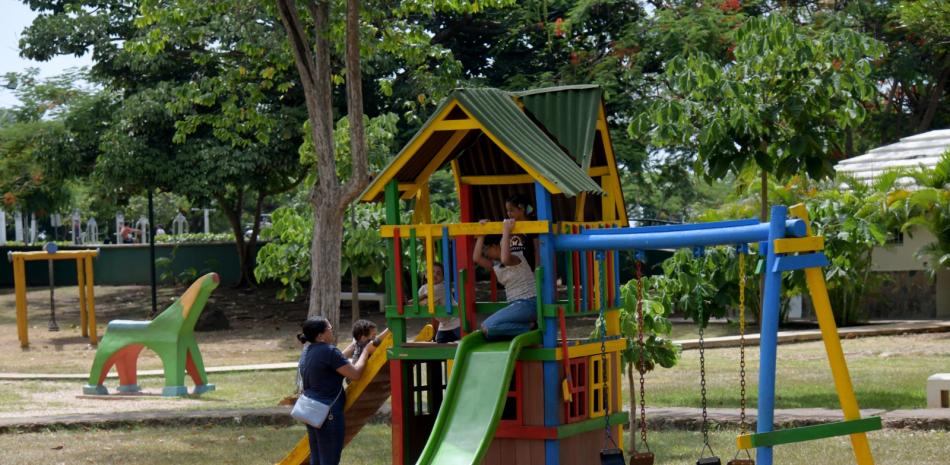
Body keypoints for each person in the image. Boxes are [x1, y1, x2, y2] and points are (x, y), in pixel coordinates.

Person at [297, 316, 375, 465]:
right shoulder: (329, 351)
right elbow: (355, 374)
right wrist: (365, 351)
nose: (332, 331)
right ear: (320, 336)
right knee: (329, 459)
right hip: (328, 413)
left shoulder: (308, 350)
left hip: (312, 411)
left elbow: (332, 363)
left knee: (317, 457)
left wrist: (352, 348)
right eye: (330, 329)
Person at [473, 218, 537, 341]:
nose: (485, 253)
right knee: (489, 332)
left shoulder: (516, 258)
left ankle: (529, 328)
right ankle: (528, 327)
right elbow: (476, 258)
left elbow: (505, 259)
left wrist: (506, 231)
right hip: (517, 306)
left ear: (496, 246)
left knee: (487, 326)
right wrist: (481, 235)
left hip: (529, 303)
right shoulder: (496, 265)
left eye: (486, 249)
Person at [415, 262, 460, 343]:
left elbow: (422, 299)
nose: (435, 275)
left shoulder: (441, 287)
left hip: (456, 321)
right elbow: (419, 303)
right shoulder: (423, 288)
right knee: (439, 342)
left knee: (461, 341)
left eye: (438, 273)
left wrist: (409, 302)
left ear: (442, 278)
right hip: (444, 324)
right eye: (432, 272)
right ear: (426, 274)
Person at [505, 194, 540, 270]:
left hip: (530, 270)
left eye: (511, 210)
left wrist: (537, 270)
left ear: (522, 209)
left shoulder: (532, 225)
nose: (508, 213)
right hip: (517, 271)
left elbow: (537, 250)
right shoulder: (509, 224)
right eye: (507, 211)